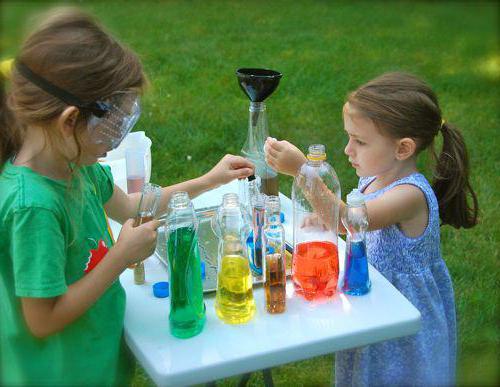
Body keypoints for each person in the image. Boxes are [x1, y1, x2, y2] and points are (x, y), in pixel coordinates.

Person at [0, 8, 253, 386]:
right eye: (110, 126)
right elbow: (42, 319)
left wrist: (209, 180)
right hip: (58, 374)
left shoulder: (75, 164)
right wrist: (120, 257)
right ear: (69, 121)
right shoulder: (34, 205)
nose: (114, 141)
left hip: (93, 360)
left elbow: (134, 208)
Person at [264, 72, 478, 386]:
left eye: (360, 141)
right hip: (371, 299)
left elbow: (348, 220)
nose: (348, 149)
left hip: (403, 318)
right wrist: (323, 216)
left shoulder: (410, 195)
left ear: (403, 148)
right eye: (350, 137)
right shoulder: (373, 178)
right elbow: (352, 221)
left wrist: (302, 170)